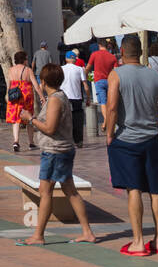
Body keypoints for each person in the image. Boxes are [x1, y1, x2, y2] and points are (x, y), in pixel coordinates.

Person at [16, 64, 98, 247]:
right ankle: (87, 232)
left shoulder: (55, 100)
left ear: (43, 82)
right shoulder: (60, 97)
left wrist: (31, 119)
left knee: (45, 192)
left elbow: (50, 128)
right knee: (71, 191)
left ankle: (38, 235)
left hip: (55, 152)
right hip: (63, 150)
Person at [105, 32, 158, 256]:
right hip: (152, 138)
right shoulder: (154, 75)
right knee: (156, 191)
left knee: (134, 188)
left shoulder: (116, 74)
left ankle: (138, 242)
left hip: (127, 139)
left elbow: (111, 106)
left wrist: (109, 134)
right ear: (140, 52)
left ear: (122, 52)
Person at [5, 50, 41, 153]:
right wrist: (42, 97)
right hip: (26, 96)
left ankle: (16, 141)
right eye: (26, 58)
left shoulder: (11, 70)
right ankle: (31, 143)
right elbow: (36, 86)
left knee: (16, 119)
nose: (27, 60)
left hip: (14, 95)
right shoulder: (28, 70)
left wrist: (8, 95)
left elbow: (9, 84)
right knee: (29, 118)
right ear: (24, 60)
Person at [86, 38, 119, 131]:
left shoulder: (94, 54)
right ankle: (105, 123)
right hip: (109, 81)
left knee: (103, 103)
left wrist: (84, 76)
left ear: (99, 45)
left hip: (99, 81)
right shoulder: (112, 57)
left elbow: (88, 67)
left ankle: (107, 120)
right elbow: (116, 71)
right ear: (107, 45)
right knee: (109, 102)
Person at [61, 51, 89, 148]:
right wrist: (88, 98)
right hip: (77, 97)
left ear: (66, 59)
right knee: (78, 120)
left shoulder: (61, 69)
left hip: (63, 97)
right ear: (75, 59)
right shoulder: (80, 69)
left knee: (64, 119)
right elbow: (85, 86)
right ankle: (78, 140)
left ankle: (66, 140)